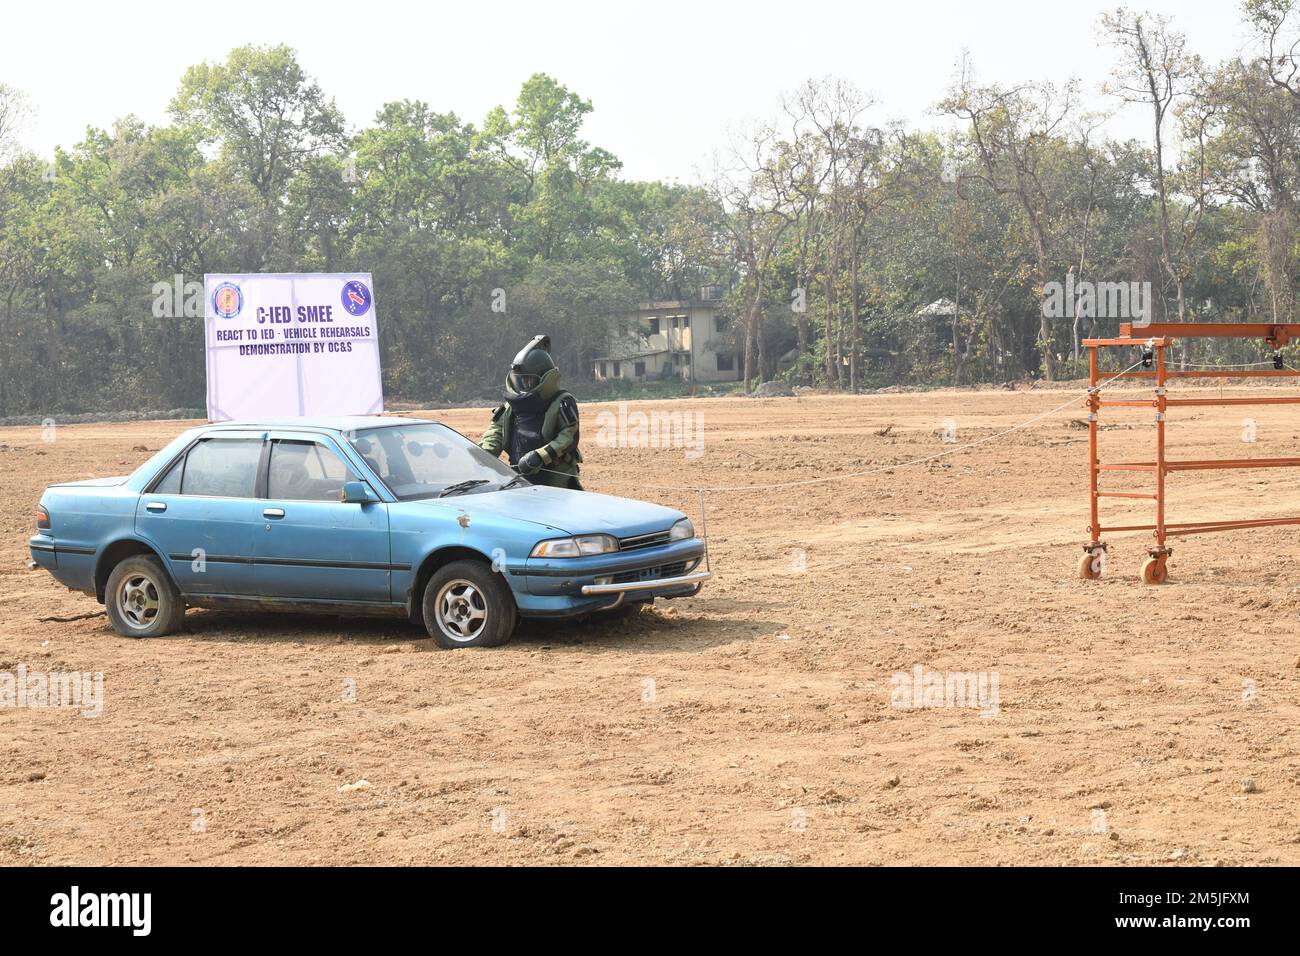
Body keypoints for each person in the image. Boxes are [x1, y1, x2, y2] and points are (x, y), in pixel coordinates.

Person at [480, 335, 583, 489]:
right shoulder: (511, 406)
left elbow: (568, 437)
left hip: (555, 475)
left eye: (528, 380)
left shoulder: (562, 402)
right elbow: (496, 431)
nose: (523, 385)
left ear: (545, 378)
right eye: (520, 380)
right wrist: (482, 453)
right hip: (520, 473)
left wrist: (540, 456)